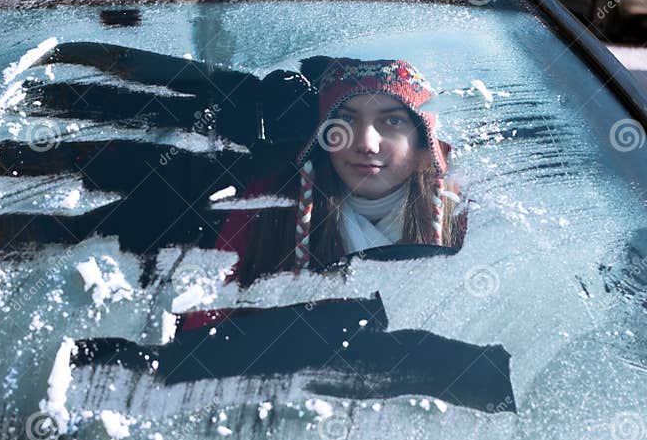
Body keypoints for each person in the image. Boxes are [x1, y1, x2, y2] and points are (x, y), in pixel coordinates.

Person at [179, 58, 467, 331]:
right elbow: (206, 324)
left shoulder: (467, 211)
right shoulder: (266, 205)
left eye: (392, 121)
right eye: (347, 120)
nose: (367, 144)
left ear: (421, 142)